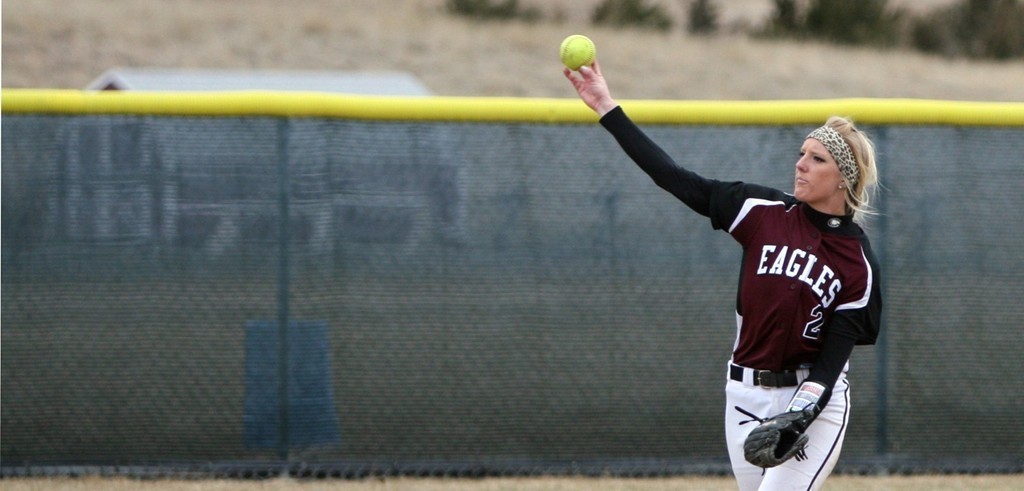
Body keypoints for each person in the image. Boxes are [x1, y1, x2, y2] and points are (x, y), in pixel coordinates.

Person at [564, 61, 882, 491]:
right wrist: (606, 107)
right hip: (744, 397)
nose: (801, 164)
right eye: (801, 153)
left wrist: (801, 413)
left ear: (843, 179)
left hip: (812, 402)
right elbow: (673, 178)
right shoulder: (762, 212)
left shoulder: (855, 261)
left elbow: (832, 361)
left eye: (816, 158)